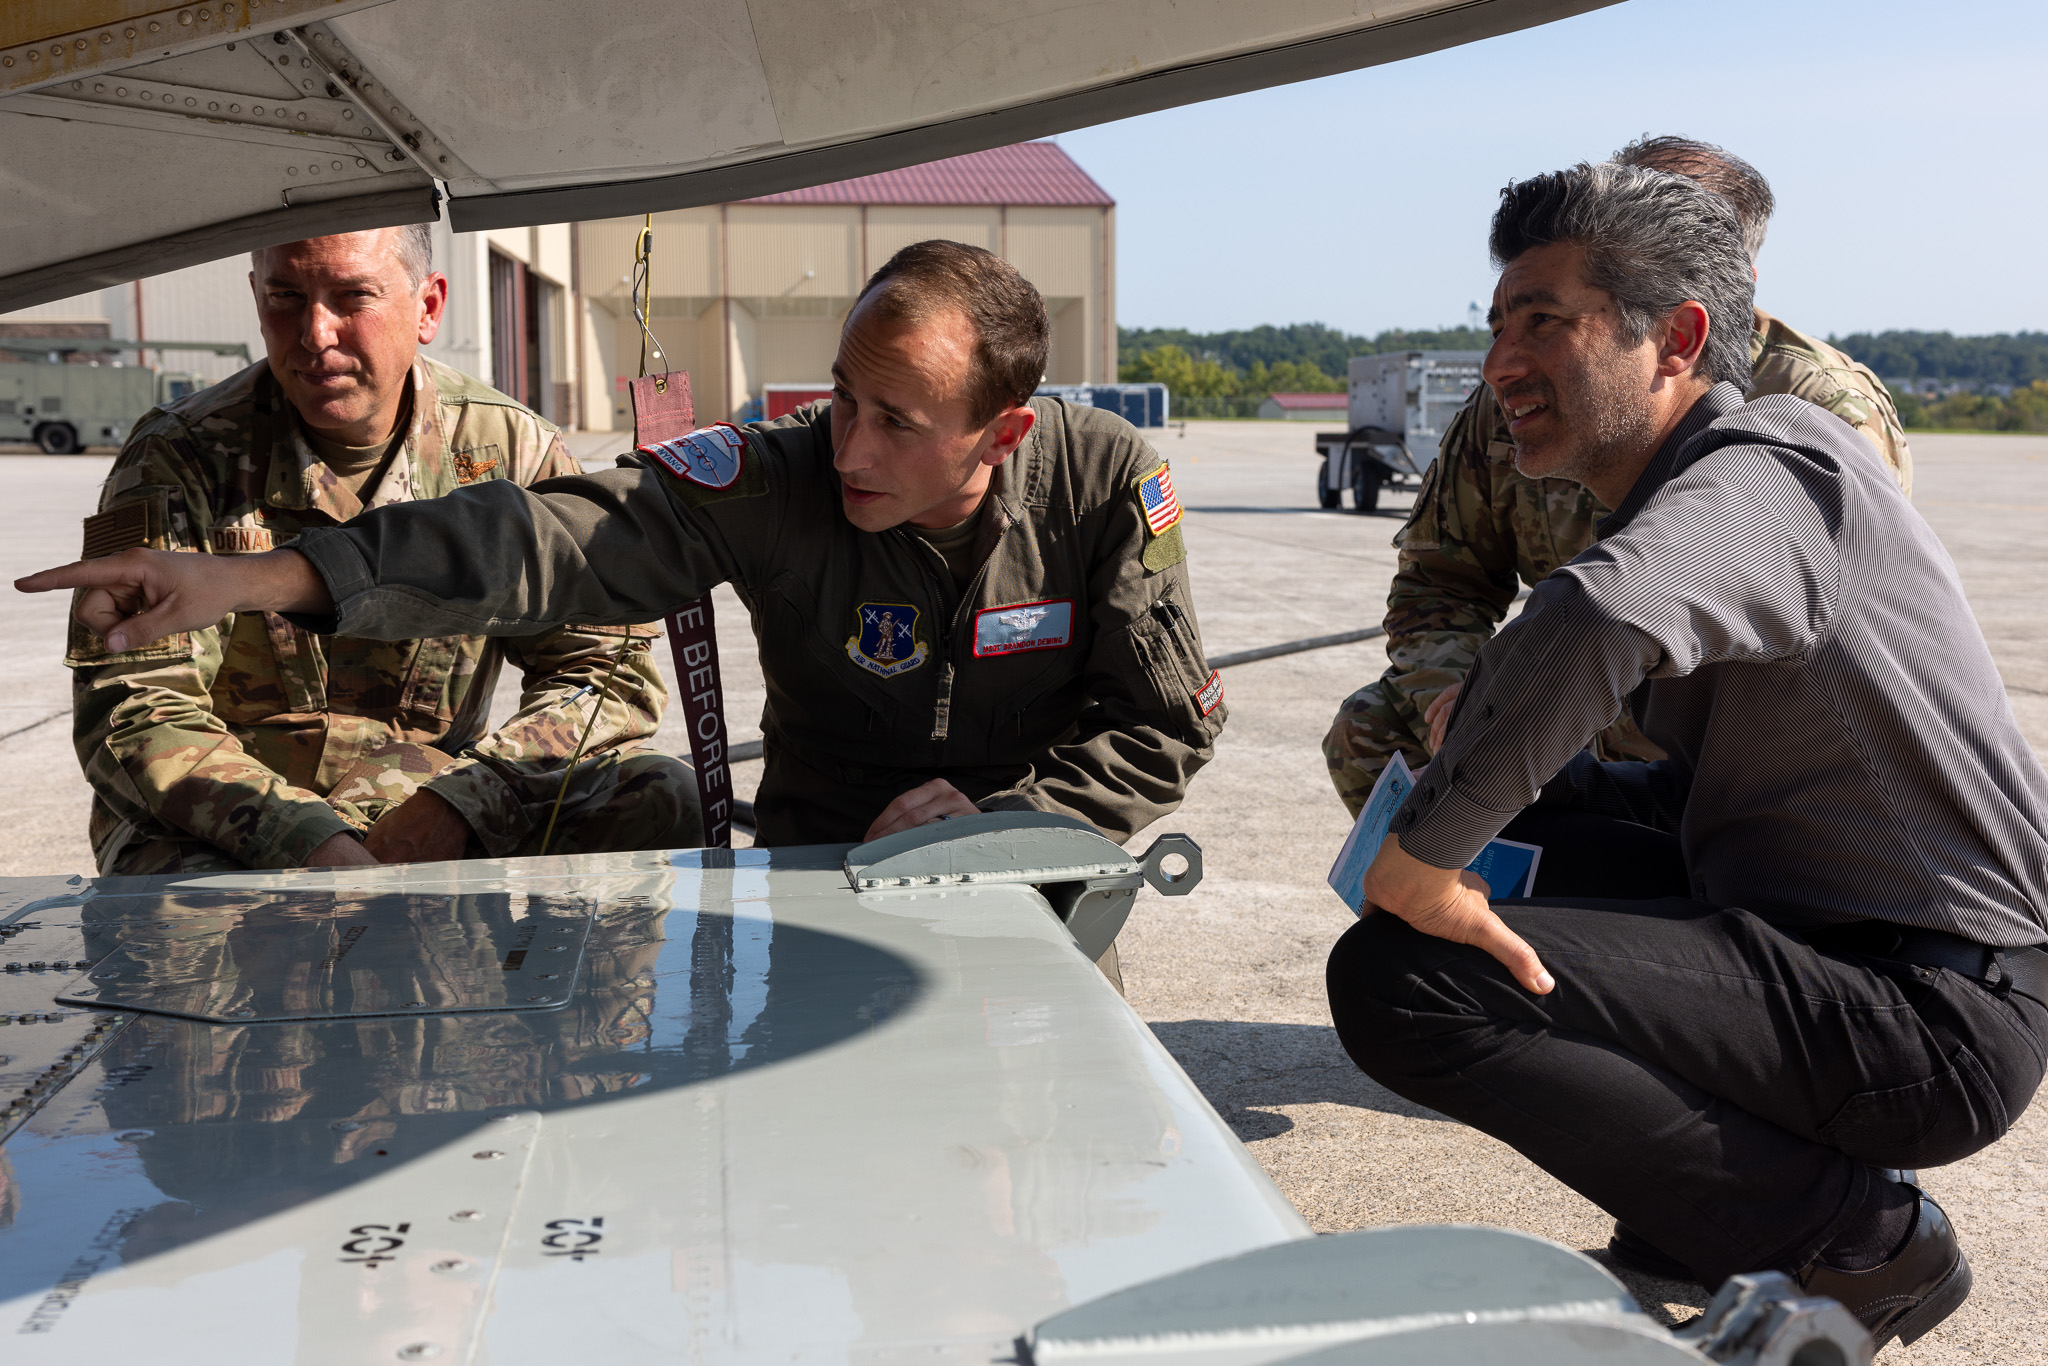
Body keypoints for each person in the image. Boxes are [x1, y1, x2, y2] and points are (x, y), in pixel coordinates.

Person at [1323, 162, 2048, 1349]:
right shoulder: (1719, 471)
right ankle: (1706, 1213)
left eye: (1543, 322)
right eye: (1497, 324)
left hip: (1929, 1012)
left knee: (1402, 977)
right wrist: (1518, 786)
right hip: (1839, 933)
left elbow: (1597, 613)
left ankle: (1858, 1242)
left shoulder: (1769, 467)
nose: (1501, 362)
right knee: (1537, 823)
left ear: (1677, 340)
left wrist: (1428, 856)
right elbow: (1726, 780)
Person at [25, 238, 1225, 860]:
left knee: (1057, 1121)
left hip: (1030, 854)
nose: (848, 445)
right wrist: (270, 576)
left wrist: (1011, 823)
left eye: (895, 423)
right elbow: (553, 535)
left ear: (1001, 434)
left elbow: (1163, 723)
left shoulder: (1106, 483)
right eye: (840, 397)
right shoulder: (781, 476)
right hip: (828, 859)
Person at [65, 226, 696, 875]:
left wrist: (469, 801)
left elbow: (604, 671)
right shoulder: (178, 454)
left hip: (433, 798)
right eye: (285, 297)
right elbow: (134, 703)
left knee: (657, 795)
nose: (315, 334)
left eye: (352, 297)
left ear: (428, 307)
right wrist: (302, 839)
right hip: (230, 821)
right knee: (197, 909)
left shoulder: (510, 449)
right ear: (256, 298)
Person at [1324, 136, 1914, 815]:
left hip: (1729, 748)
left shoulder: (1817, 407)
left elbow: (1837, 645)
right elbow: (1440, 583)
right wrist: (1459, 700)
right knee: (1373, 728)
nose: (1504, 361)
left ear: (1732, 280)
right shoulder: (1523, 392)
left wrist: (1529, 711)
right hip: (1560, 708)